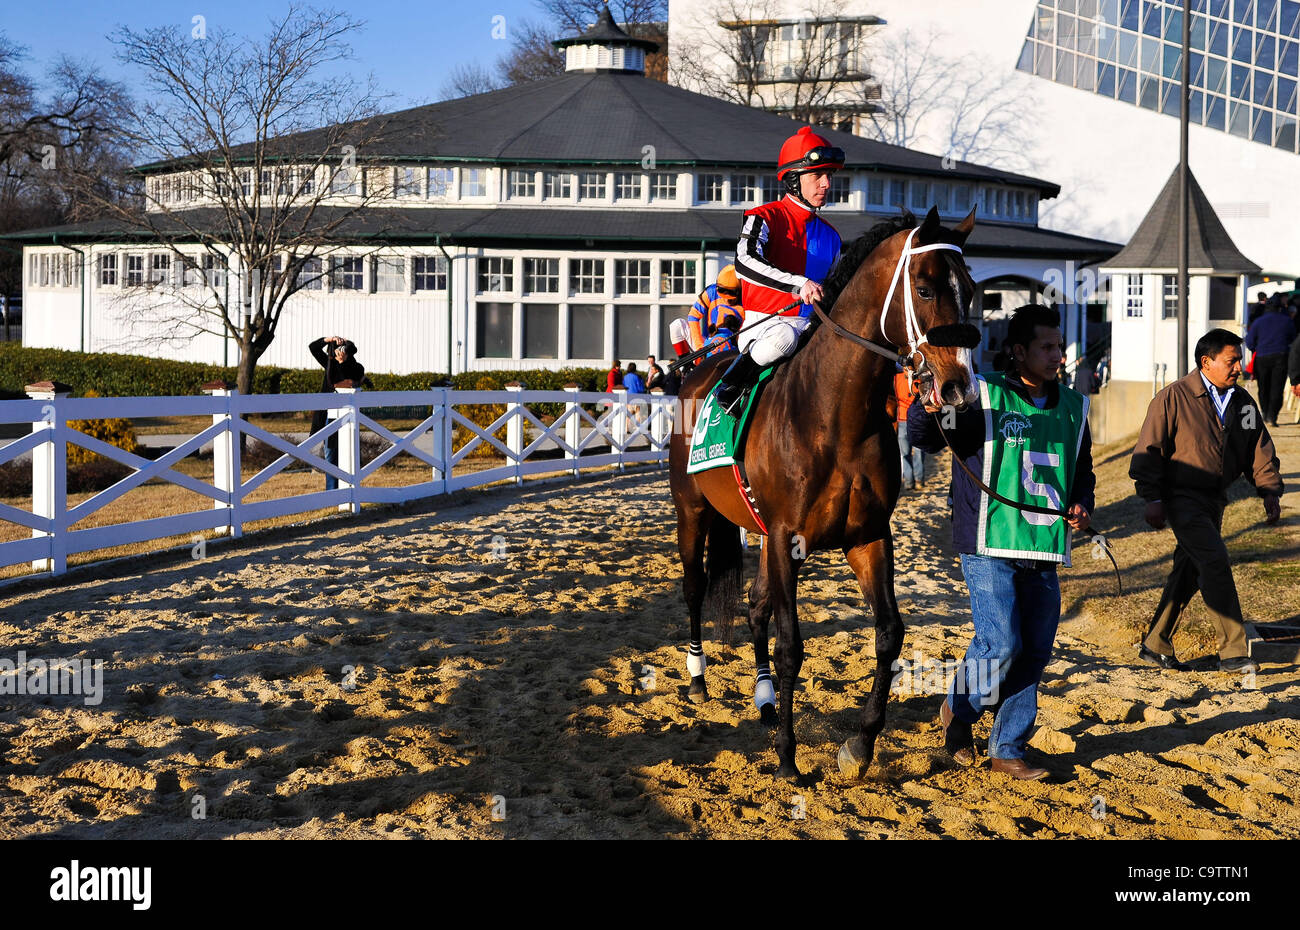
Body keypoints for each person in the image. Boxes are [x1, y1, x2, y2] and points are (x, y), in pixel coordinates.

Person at [907, 305, 1096, 780]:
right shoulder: (981, 394)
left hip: (1044, 545)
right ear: (1018, 351)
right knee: (1001, 642)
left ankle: (1006, 747)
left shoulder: (1075, 406)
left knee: (1033, 651)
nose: (1057, 355)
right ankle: (959, 711)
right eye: (1047, 347)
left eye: (1059, 346)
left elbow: (1083, 469)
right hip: (988, 541)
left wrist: (1082, 504)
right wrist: (927, 404)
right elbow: (925, 437)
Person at [1130, 328, 1283, 675]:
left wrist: (1269, 490)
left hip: (1215, 500)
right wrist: (1152, 498)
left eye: (1239, 360)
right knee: (1214, 560)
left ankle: (1155, 644)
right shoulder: (1172, 398)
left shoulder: (1243, 402)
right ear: (1207, 361)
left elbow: (1257, 447)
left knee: (1188, 570)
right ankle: (1233, 652)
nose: (1238, 367)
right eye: (1231, 361)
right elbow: (1148, 451)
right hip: (1180, 497)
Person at [714, 126, 844, 410]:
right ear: (793, 179)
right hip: (766, 327)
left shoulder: (832, 237)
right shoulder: (764, 217)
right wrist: (800, 284)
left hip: (812, 329)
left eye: (829, 176)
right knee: (785, 337)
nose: (826, 184)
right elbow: (744, 261)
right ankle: (731, 385)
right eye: (817, 175)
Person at [309, 335, 369, 491]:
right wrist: (327, 340)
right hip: (330, 416)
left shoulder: (356, 368)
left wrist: (343, 363)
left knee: (348, 454)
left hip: (348, 417)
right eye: (337, 349)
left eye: (343, 350)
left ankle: (348, 491)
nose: (339, 352)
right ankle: (332, 492)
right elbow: (313, 348)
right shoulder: (330, 364)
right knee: (331, 456)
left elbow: (344, 381)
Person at [1244, 299, 1296, 427]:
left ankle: (1265, 412)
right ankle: (1273, 416)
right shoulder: (1287, 321)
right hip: (1281, 357)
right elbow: (1294, 340)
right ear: (1279, 308)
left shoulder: (1258, 322)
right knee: (1277, 388)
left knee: (1263, 387)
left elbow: (1249, 341)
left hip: (1262, 357)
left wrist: (1256, 348)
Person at [685, 264, 744, 356]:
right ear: (718, 288)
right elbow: (693, 316)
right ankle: (688, 365)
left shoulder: (747, 298)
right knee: (677, 324)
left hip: (734, 346)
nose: (727, 299)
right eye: (722, 291)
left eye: (732, 293)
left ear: (739, 290)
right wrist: (699, 347)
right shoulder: (711, 291)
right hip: (709, 341)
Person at [893, 367, 924, 490]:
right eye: (906, 368)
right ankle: (909, 482)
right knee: (904, 453)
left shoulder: (920, 379)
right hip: (902, 420)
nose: (908, 370)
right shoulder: (896, 379)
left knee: (919, 452)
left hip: (917, 421)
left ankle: (918, 479)